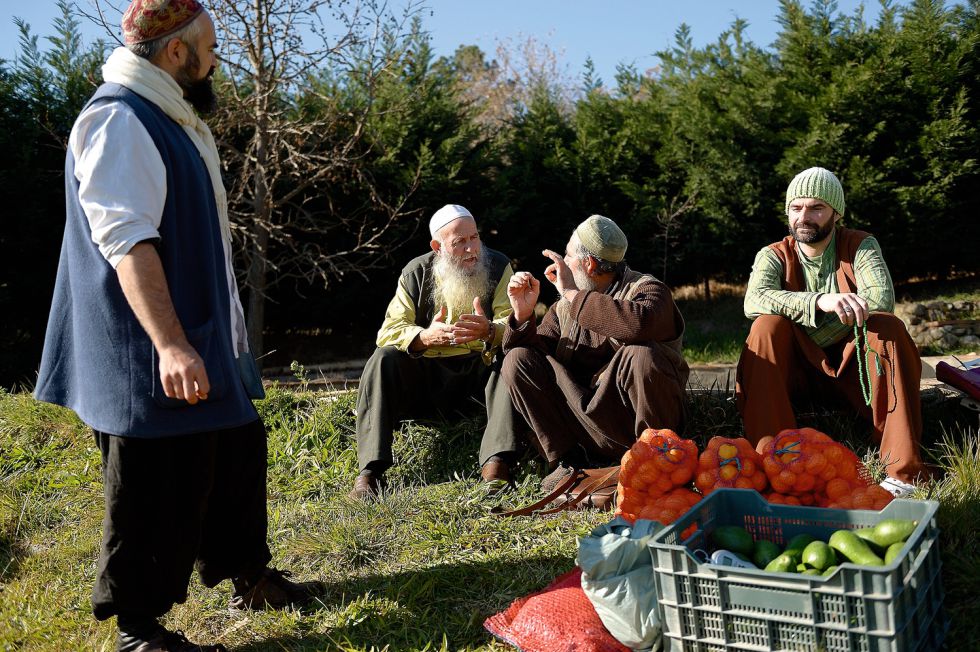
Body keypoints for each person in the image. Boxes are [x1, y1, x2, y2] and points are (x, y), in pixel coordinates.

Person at [33, 2, 321, 650]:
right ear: (174, 53)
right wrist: (169, 344)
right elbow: (128, 240)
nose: (218, 57)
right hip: (148, 346)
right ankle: (138, 629)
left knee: (239, 448)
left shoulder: (165, 112)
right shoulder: (119, 118)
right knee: (151, 482)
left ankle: (249, 573)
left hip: (203, 333)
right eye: (210, 46)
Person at [736, 167, 929, 496]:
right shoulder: (773, 255)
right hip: (793, 371)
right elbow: (754, 299)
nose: (804, 217)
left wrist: (832, 321)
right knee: (765, 326)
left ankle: (902, 473)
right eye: (796, 209)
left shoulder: (859, 246)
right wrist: (820, 301)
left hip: (853, 368)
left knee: (887, 327)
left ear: (836, 213)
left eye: (816, 208)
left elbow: (880, 299)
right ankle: (774, 461)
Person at [498, 215, 689, 490]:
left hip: (634, 427)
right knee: (518, 359)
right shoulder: (562, 309)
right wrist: (523, 314)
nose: (560, 263)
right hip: (582, 427)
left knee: (641, 355)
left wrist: (572, 294)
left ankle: (655, 459)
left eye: (567, 255)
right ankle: (567, 463)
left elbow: (636, 324)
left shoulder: (649, 290)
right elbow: (530, 360)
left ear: (588, 264)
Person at [352, 204, 524, 499]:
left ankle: (497, 467)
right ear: (437, 246)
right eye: (460, 242)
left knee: (511, 356)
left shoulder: (498, 265)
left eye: (475, 238)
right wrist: (424, 337)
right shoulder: (415, 272)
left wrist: (489, 330)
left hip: (479, 381)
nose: (472, 249)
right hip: (427, 383)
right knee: (383, 359)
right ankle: (370, 472)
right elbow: (389, 331)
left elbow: (511, 321)